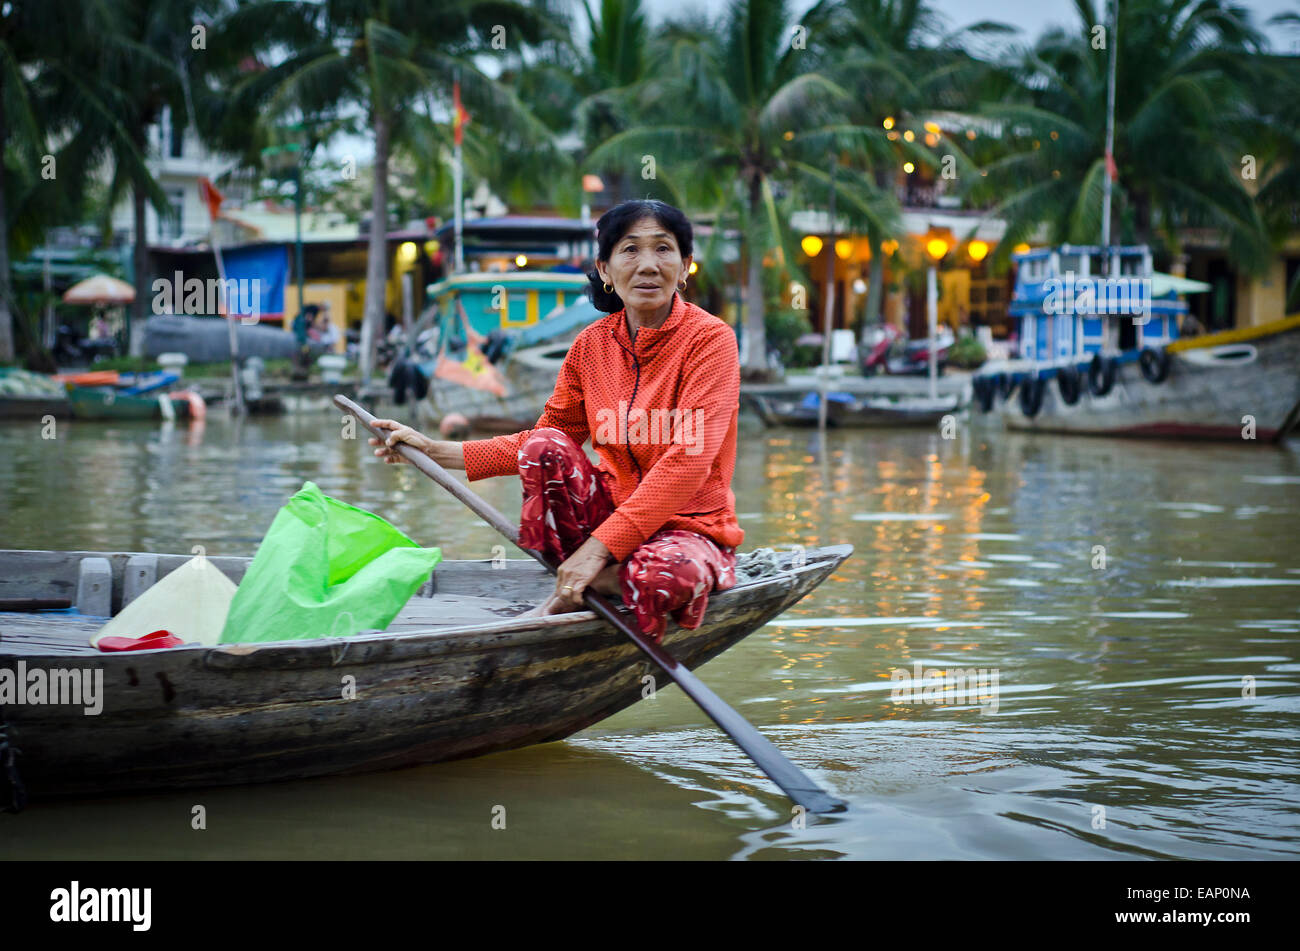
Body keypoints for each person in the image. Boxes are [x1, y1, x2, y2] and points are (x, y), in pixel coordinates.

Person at [369, 199, 743, 642]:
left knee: (665, 578)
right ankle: (602, 571)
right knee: (545, 448)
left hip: (687, 529)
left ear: (684, 267)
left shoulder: (711, 341)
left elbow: (687, 462)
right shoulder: (591, 346)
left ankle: (602, 577)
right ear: (605, 269)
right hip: (606, 519)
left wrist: (594, 553)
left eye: (663, 249)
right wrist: (433, 451)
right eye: (630, 250)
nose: (648, 265)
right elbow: (544, 439)